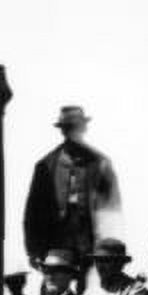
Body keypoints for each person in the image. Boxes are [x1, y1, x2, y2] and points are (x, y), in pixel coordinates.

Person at [22, 105, 123, 265]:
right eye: (67, 128)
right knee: (56, 284)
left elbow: (112, 211)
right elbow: (33, 212)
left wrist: (111, 250)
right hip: (56, 244)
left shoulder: (100, 163)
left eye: (76, 127)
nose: (71, 132)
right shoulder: (46, 166)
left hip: (91, 245)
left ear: (83, 128)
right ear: (62, 131)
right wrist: (33, 250)